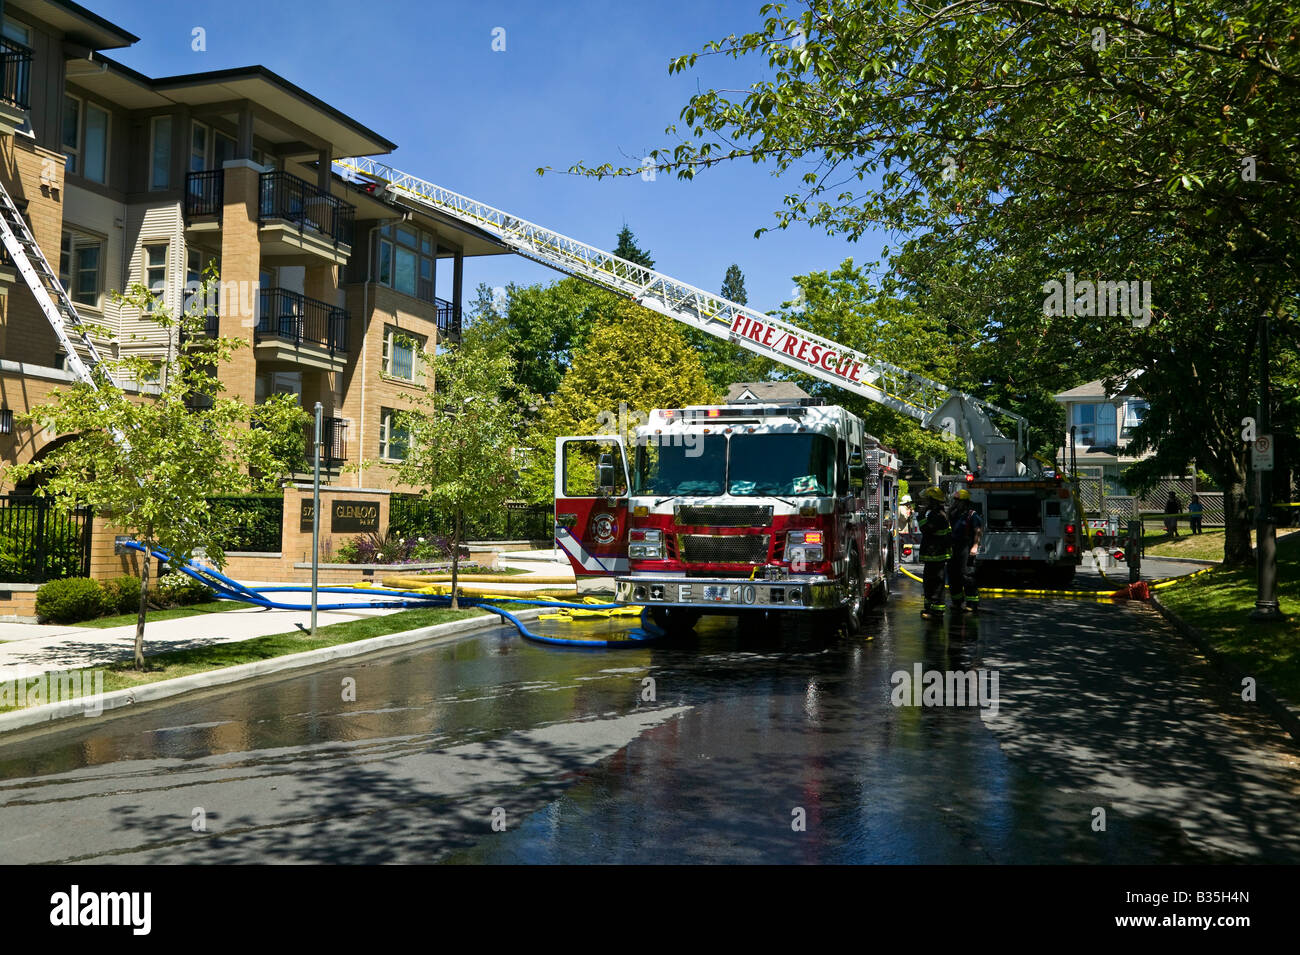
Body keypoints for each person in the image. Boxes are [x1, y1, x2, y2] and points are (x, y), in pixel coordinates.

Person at [916, 486, 952, 619]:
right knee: (929, 582)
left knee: (936, 584)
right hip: (933, 556)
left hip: (936, 556)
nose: (924, 503)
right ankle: (930, 608)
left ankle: (937, 612)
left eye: (927, 500)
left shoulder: (938, 516)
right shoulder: (936, 514)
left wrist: (920, 516)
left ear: (933, 501)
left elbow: (926, 529)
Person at [947, 488, 983, 613]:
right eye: (955, 500)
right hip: (954, 547)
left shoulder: (972, 515)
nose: (956, 503)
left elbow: (977, 531)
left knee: (967, 575)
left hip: (966, 547)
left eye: (958, 501)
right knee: (953, 575)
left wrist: (975, 546)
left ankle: (972, 603)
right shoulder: (953, 513)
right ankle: (957, 602)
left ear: (965, 502)